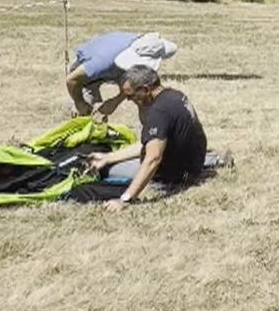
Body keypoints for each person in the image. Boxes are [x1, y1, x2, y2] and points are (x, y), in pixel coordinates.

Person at [83, 66, 216, 209]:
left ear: (146, 90)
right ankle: (212, 159)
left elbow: (153, 158)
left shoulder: (158, 113)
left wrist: (125, 199)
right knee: (109, 162)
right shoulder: (175, 95)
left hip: (176, 176)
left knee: (106, 170)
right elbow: (150, 144)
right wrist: (107, 157)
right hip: (193, 165)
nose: (129, 100)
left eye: (131, 96)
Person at [64, 30, 177, 118]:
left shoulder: (147, 47)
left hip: (112, 67)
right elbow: (71, 80)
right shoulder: (102, 62)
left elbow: (132, 86)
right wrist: (79, 102)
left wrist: (115, 101)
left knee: (142, 100)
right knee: (87, 116)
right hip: (86, 76)